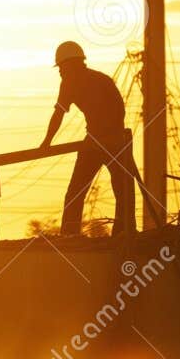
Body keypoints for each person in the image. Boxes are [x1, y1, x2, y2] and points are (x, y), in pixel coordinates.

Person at [40, 41, 137, 237]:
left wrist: (46, 143)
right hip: (107, 139)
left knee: (79, 191)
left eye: (60, 68)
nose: (60, 72)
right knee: (123, 189)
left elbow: (59, 114)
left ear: (70, 64)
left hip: (104, 140)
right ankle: (124, 231)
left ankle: (70, 234)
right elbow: (119, 109)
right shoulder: (98, 79)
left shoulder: (71, 82)